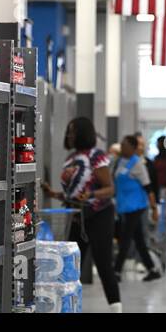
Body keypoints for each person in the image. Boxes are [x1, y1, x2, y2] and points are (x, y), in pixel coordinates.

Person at [40, 117, 122, 312]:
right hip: (78, 216)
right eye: (69, 131)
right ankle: (66, 304)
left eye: (73, 131)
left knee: (103, 264)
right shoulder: (71, 158)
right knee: (70, 262)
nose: (69, 135)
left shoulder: (96, 156)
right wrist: (53, 193)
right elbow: (72, 194)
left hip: (99, 214)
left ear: (84, 133)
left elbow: (110, 189)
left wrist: (92, 194)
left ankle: (116, 308)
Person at [114, 135, 161, 281]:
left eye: (125, 145)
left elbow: (148, 187)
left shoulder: (138, 164)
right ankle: (152, 269)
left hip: (136, 207)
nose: (122, 148)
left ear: (133, 148)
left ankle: (116, 271)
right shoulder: (120, 161)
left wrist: (154, 209)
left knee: (125, 238)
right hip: (124, 206)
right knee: (139, 240)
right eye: (121, 145)